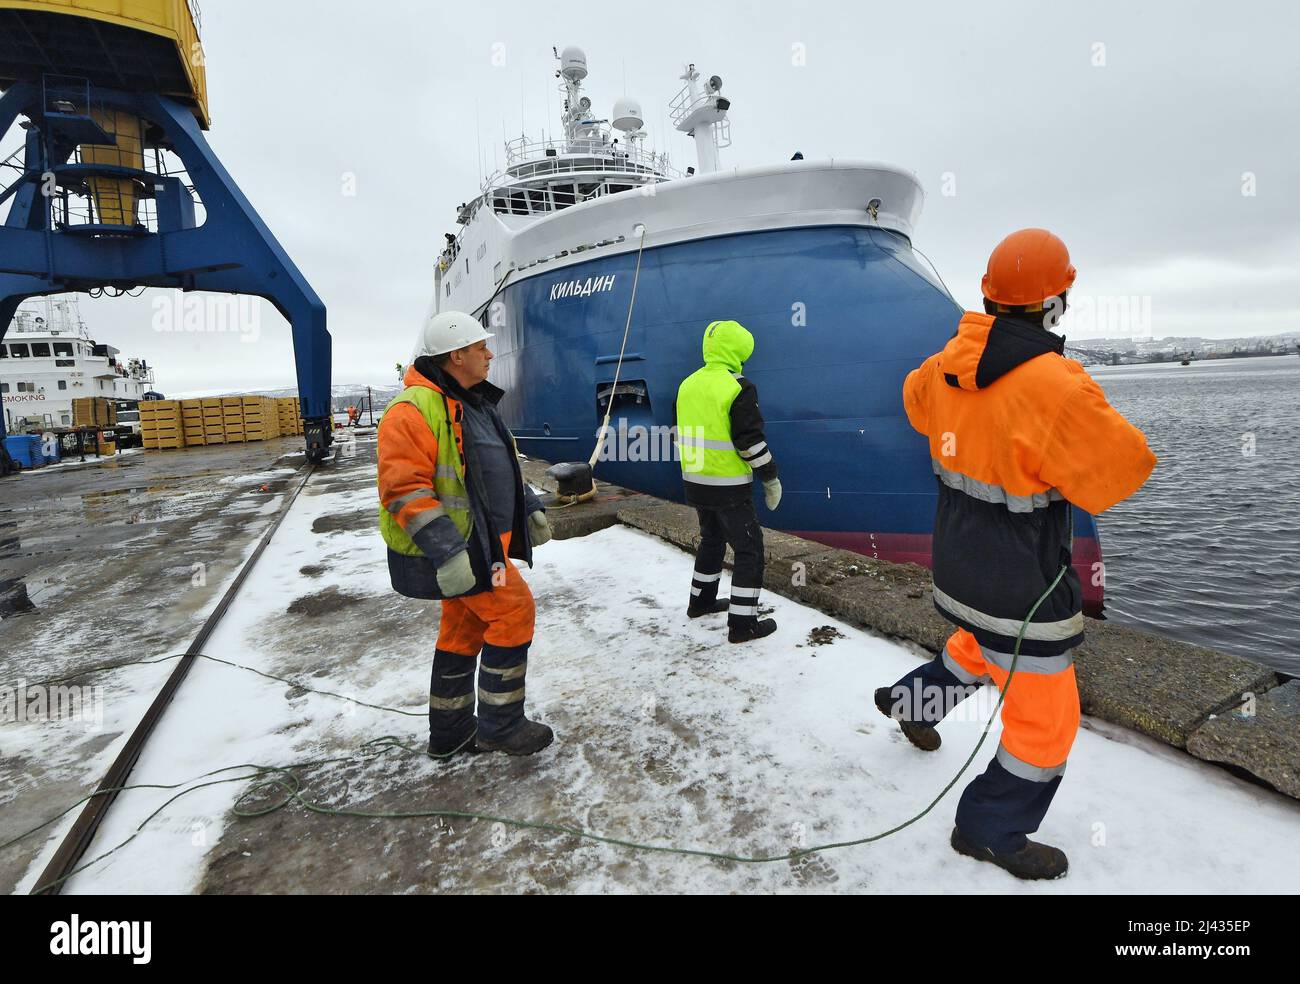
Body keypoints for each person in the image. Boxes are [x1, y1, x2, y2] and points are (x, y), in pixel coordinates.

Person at [876, 229, 1156, 879]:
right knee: (1045, 728)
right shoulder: (1057, 387)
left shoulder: (948, 363)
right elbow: (1122, 471)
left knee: (977, 647)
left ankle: (908, 703)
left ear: (989, 298)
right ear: (1055, 305)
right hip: (1021, 585)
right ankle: (988, 827)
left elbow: (915, 404)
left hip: (959, 567)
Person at [377, 310, 555, 757]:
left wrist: (529, 505)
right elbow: (403, 491)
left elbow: (497, 465)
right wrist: (449, 552)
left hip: (482, 544)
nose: (490, 354)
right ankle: (501, 725)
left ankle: (451, 730)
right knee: (514, 612)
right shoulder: (411, 412)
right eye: (480, 348)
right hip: (466, 552)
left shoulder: (473, 402)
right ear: (457, 356)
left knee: (463, 629)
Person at [675, 320, 782, 643]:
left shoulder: (687, 384)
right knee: (749, 549)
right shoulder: (739, 387)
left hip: (695, 483)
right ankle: (742, 624)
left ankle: (701, 602)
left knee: (711, 540)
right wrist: (770, 477)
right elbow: (750, 443)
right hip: (729, 486)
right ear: (737, 351)